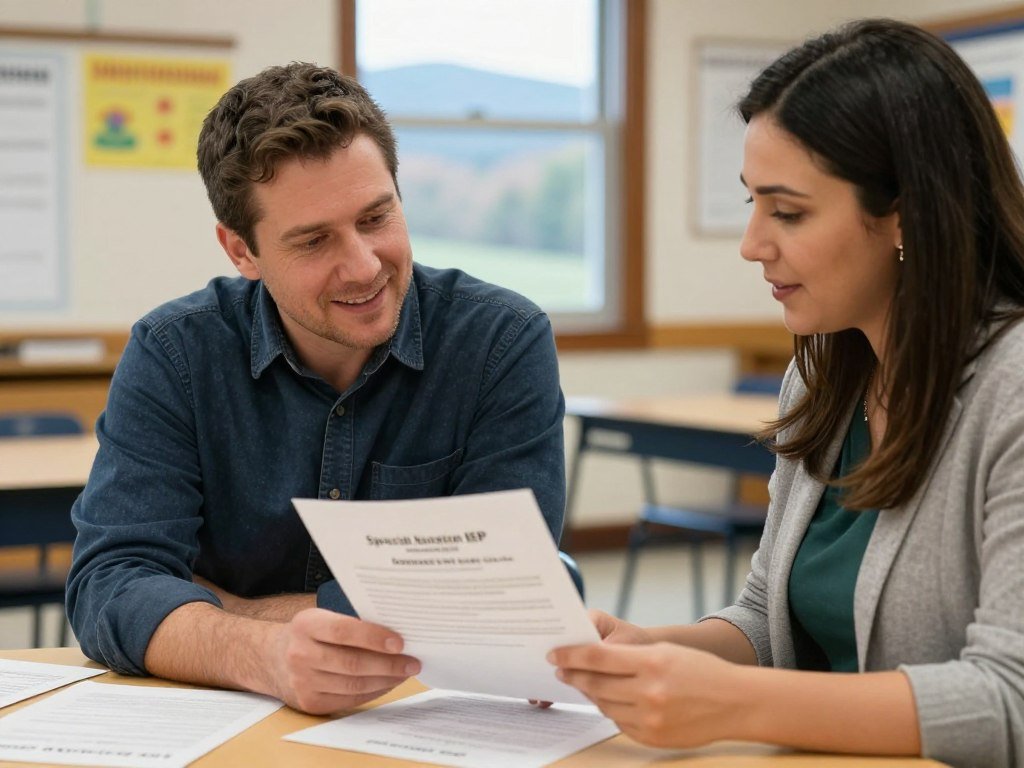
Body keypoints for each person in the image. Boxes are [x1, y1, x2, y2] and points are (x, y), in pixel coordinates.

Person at [549, 18, 1024, 768]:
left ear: (905, 214)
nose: (751, 244)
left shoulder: (1013, 390)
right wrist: (652, 653)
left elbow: (1008, 702)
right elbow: (771, 621)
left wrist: (730, 702)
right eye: (751, 203)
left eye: (789, 211)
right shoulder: (824, 372)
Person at [66, 62, 566, 716]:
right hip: (220, 724)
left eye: (376, 217)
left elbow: (496, 601)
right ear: (241, 251)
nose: (362, 265)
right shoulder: (176, 354)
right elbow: (110, 586)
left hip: (422, 724)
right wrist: (262, 654)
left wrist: (227, 610)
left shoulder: (500, 341)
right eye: (313, 240)